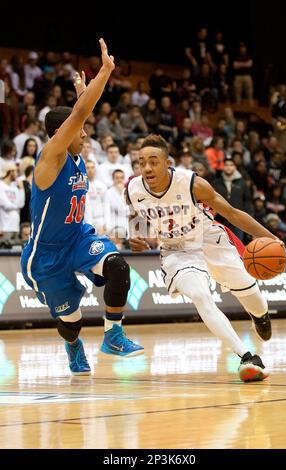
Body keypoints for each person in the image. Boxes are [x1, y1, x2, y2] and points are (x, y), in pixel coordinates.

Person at [21, 39, 143, 377]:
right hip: (46, 255)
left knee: (118, 267)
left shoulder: (74, 156)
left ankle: (113, 335)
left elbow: (77, 116)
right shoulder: (50, 158)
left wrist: (81, 93)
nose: (86, 135)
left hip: (77, 239)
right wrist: (105, 72)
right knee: (71, 323)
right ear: (62, 133)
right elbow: (78, 116)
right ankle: (73, 345)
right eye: (81, 131)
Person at [125, 134, 283, 382]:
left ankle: (260, 314)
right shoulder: (133, 189)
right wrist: (136, 238)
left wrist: (271, 237)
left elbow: (231, 213)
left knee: (251, 296)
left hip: (210, 240)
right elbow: (137, 220)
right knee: (200, 295)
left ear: (167, 163)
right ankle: (247, 357)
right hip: (177, 250)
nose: (146, 168)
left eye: (153, 161)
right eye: (142, 162)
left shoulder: (192, 183)